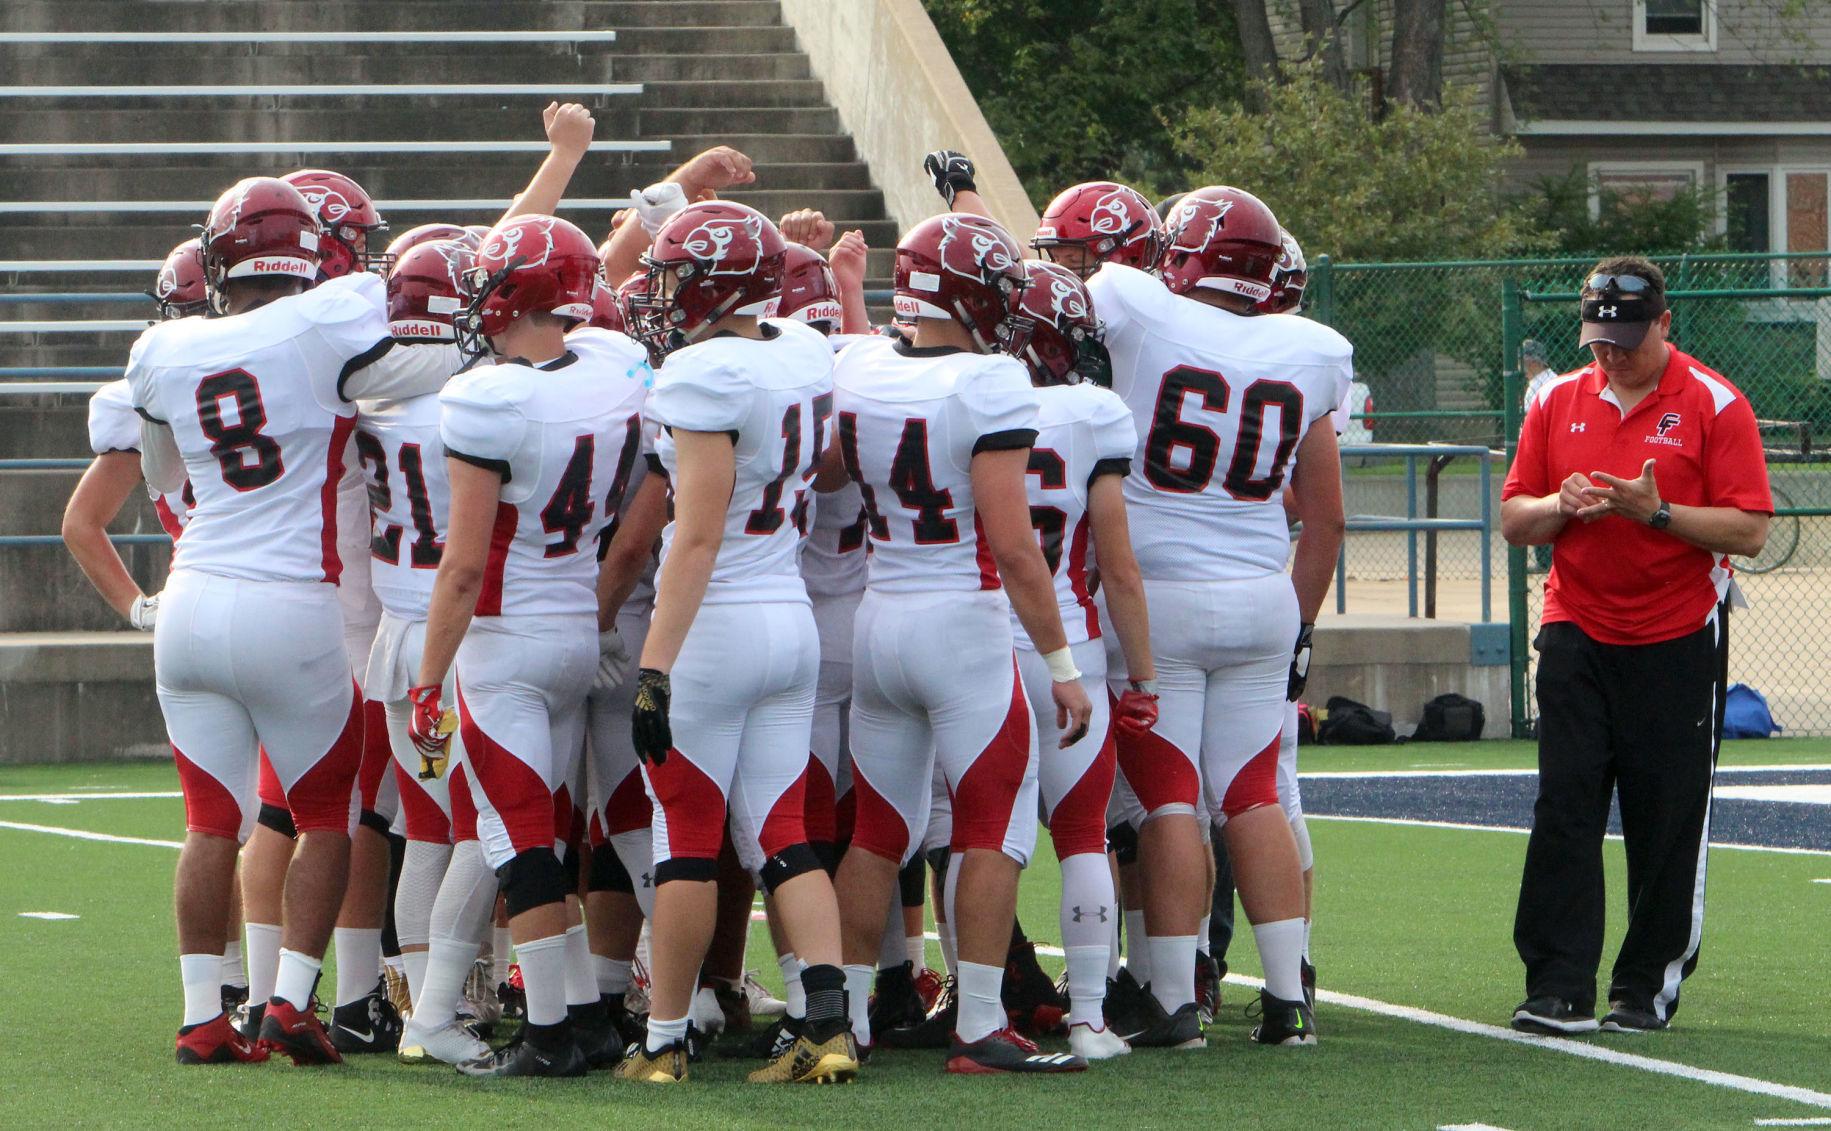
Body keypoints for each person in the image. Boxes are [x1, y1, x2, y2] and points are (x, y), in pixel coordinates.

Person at [130, 176, 452, 1066]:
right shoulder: (327, 318)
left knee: (210, 821)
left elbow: (161, 471)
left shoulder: (162, 345)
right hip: (291, 602)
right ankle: (291, 1003)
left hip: (190, 600)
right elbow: (412, 365)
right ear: (305, 256)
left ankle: (203, 1014)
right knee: (324, 812)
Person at [829, 211, 1094, 1075]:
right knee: (991, 826)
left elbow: (832, 473)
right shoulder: (990, 381)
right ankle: (979, 1021)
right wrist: (1060, 664)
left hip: (879, 616)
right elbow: (1016, 549)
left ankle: (849, 1022)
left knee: (877, 830)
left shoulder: (859, 361)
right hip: (963, 622)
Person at [1087, 185, 1349, 1048]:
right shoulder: (1312, 350)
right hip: (1262, 591)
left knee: (1167, 799)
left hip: (1160, 592)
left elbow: (1074, 291)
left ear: (1184, 253)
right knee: (1250, 795)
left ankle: (1172, 999)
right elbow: (1323, 511)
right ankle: (1286, 1002)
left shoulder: (1137, 306)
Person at [604, 200, 858, 1085]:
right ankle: (825, 1025)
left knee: (685, 838)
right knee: (782, 834)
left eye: (676, 272)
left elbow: (698, 536)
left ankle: (663, 1041)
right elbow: (823, 467)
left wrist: (654, 665)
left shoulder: (702, 373)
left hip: (715, 625)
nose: (663, 290)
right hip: (788, 616)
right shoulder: (797, 346)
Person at [406, 213, 651, 1077]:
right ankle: (582, 1010)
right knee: (542, 831)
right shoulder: (619, 368)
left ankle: (550, 1034)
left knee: (521, 843)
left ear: (516, 292)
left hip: (506, 643)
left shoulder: (488, 397)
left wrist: (428, 680)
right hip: (582, 628)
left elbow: (464, 566)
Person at [1501, 256, 1772, 1035]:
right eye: (1597, 339)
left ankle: (1643, 985)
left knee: (1665, 811)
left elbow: (1749, 529)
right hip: (1576, 623)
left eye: (1625, 337)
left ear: (1662, 322)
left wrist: (1656, 512)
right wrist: (1562, 501)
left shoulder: (1714, 402)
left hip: (1677, 630)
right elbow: (1516, 516)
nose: (1610, 353)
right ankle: (1555, 983)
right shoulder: (1555, 399)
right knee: (1564, 801)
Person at [1008, 259, 1159, 1060]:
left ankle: (969, 1010)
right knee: (1080, 833)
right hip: (1068, 644)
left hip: (980, 645)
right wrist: (1144, 675)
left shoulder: (953, 390)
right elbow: (1118, 564)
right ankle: (1090, 1017)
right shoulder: (1091, 413)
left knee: (971, 837)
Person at [1521, 339, 1558, 410]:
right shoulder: (1549, 377)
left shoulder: (1540, 384)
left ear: (1533, 363)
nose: (1519, 366)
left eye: (1522, 362)